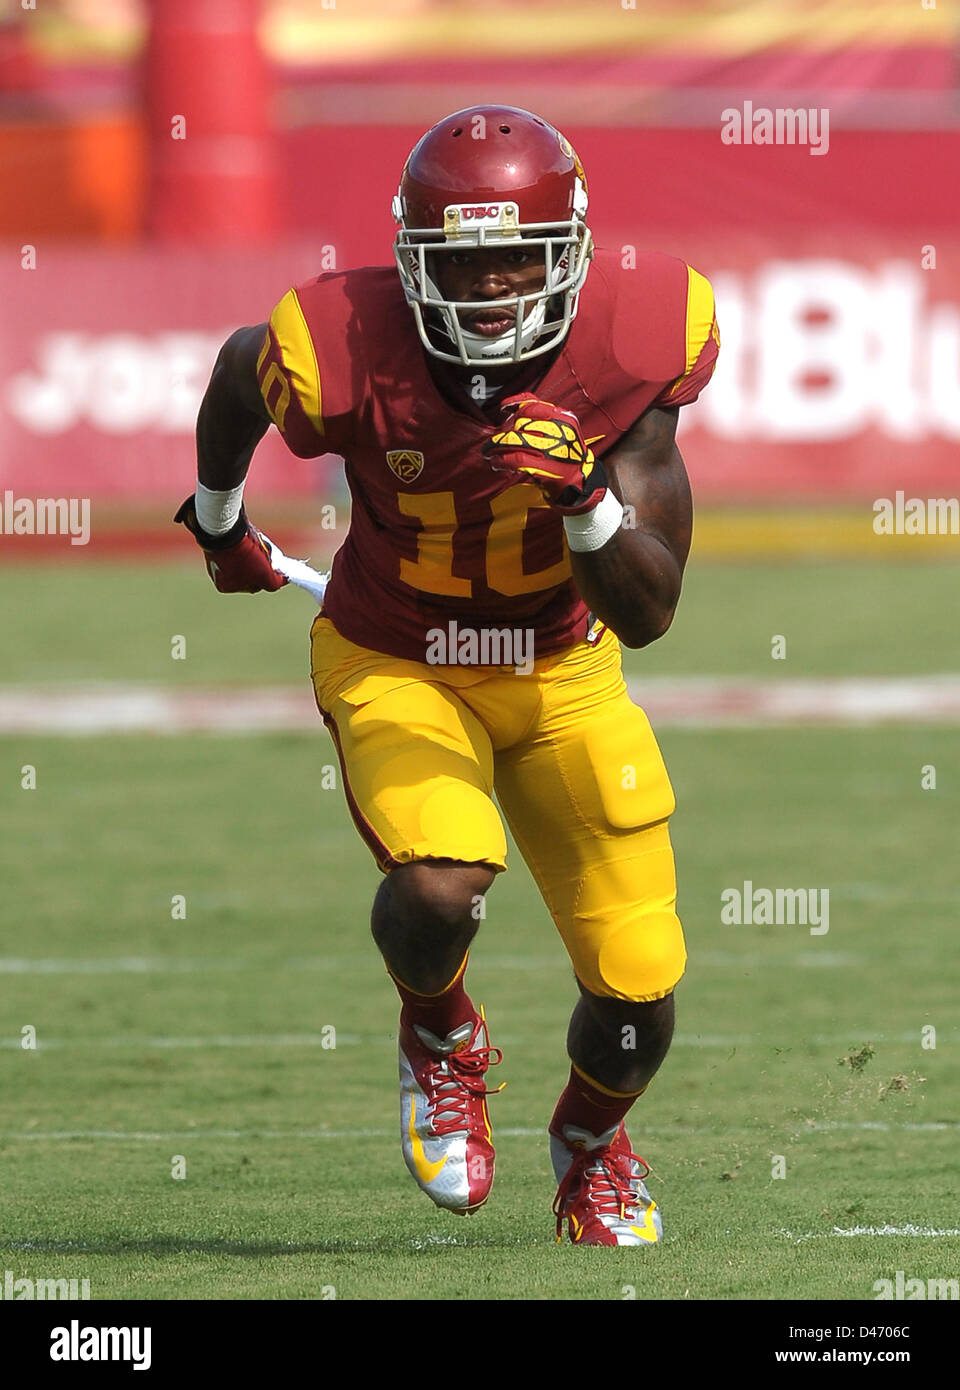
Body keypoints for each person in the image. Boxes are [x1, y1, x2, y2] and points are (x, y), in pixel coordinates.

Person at [176, 105, 720, 1246]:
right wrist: (221, 519)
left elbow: (650, 612)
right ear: (411, 256)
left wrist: (585, 502)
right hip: (398, 656)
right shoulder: (338, 338)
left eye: (517, 256)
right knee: (439, 882)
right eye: (461, 261)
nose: (490, 287)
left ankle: (590, 1142)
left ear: (572, 249)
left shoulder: (635, 338)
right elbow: (236, 372)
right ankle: (440, 1033)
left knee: (639, 978)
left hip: (563, 669)